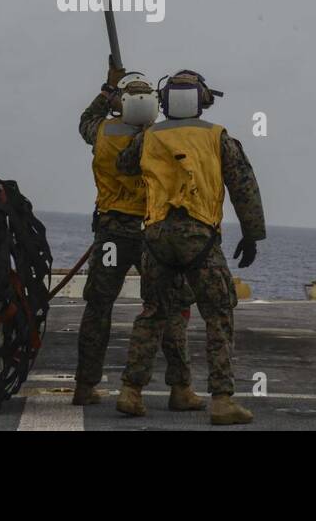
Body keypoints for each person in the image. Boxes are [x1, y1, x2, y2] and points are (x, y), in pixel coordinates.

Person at [115, 69, 266, 425]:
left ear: (164, 102)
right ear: (201, 100)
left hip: (155, 238)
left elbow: (124, 165)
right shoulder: (217, 137)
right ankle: (222, 400)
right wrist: (252, 234)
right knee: (217, 314)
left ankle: (130, 392)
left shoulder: (148, 137)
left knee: (152, 313)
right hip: (199, 238)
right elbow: (243, 185)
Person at [72, 63, 204, 411]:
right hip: (153, 236)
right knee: (171, 308)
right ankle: (180, 389)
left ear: (121, 103)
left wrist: (106, 89)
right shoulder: (163, 137)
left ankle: (85, 385)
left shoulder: (101, 132)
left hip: (112, 235)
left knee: (99, 308)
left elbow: (85, 119)